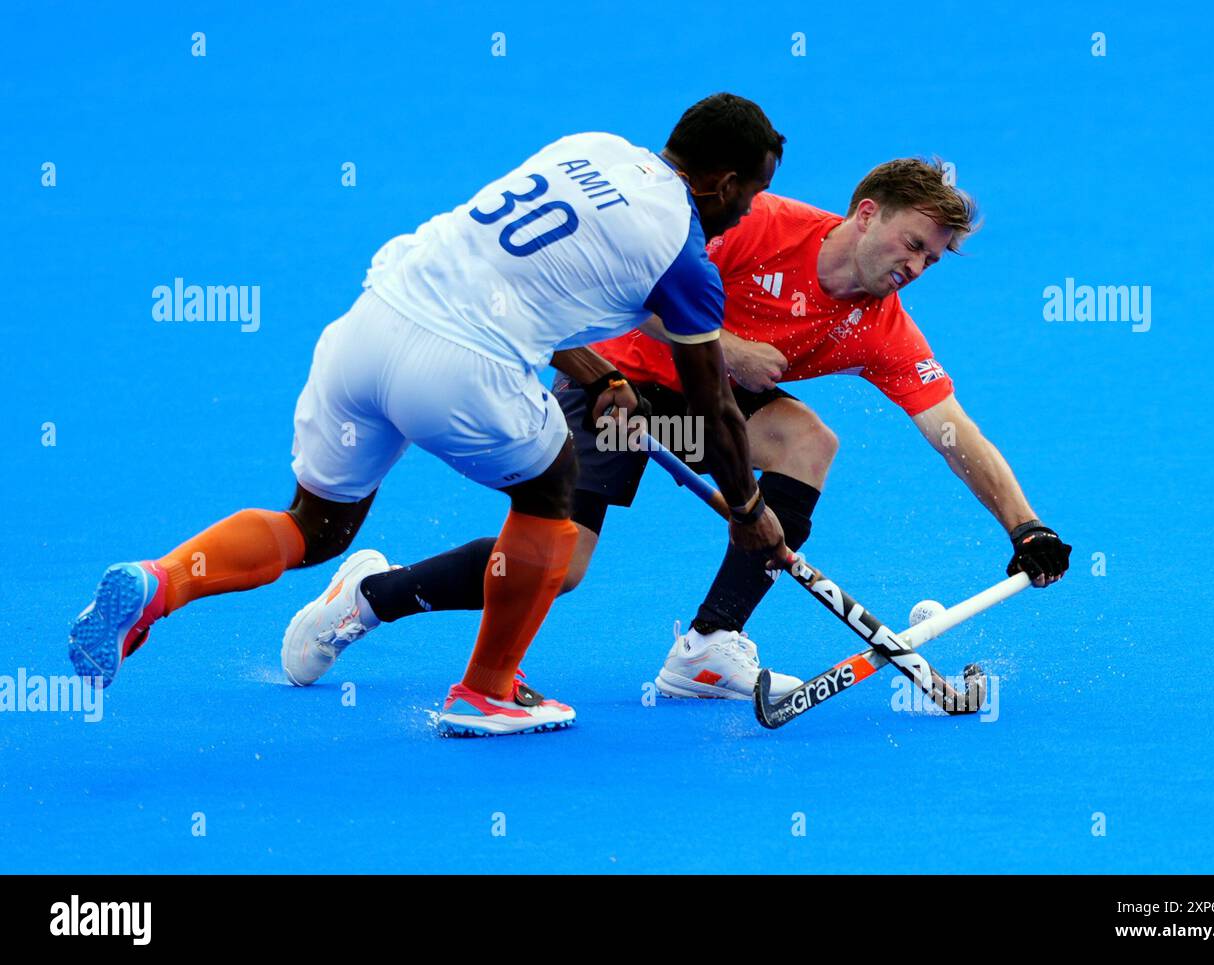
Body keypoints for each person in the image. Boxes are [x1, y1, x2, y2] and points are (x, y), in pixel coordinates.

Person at [69, 93, 787, 736]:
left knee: (312, 527)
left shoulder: (590, 146)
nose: (750, 210)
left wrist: (594, 370)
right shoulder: (684, 259)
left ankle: (161, 579)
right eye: (752, 194)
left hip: (370, 326)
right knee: (552, 487)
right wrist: (749, 508)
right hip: (457, 371)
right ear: (721, 184)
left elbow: (523, 277)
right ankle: (487, 691)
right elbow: (713, 406)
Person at [323, 158, 1070, 701]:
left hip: (699, 413)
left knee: (807, 440)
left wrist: (1025, 525)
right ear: (866, 212)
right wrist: (728, 348)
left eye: (932, 260)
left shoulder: (878, 327)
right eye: (913, 243)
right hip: (613, 391)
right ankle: (369, 596)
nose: (917, 265)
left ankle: (708, 645)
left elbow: (950, 428)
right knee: (562, 567)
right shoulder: (763, 225)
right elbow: (634, 289)